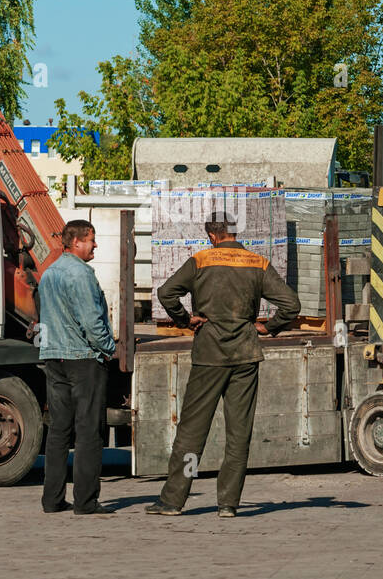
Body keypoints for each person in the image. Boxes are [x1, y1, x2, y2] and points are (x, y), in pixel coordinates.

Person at [146, 211, 301, 518]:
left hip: (209, 356)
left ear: (213, 236)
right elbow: (291, 305)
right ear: (234, 233)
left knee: (193, 432)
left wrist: (185, 319)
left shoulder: (201, 260)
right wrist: (268, 327)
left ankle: (174, 500)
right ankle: (228, 503)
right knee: (238, 433)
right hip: (245, 355)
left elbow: (166, 293)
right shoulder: (257, 263)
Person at [36, 219, 116, 515]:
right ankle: (85, 501)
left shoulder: (49, 273)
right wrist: (109, 348)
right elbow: (92, 321)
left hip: (54, 357)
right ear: (77, 242)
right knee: (88, 431)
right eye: (92, 239)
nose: (95, 245)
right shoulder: (80, 275)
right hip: (83, 359)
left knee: (58, 430)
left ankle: (52, 499)